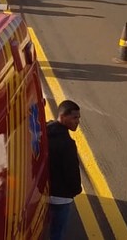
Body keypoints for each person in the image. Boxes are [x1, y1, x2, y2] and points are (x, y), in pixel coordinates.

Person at [46, 100, 82, 240]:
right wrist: (75, 191)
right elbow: (72, 173)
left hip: (44, 192)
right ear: (63, 117)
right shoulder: (67, 144)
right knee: (57, 233)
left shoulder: (45, 131)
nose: (78, 121)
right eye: (74, 117)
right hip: (61, 198)